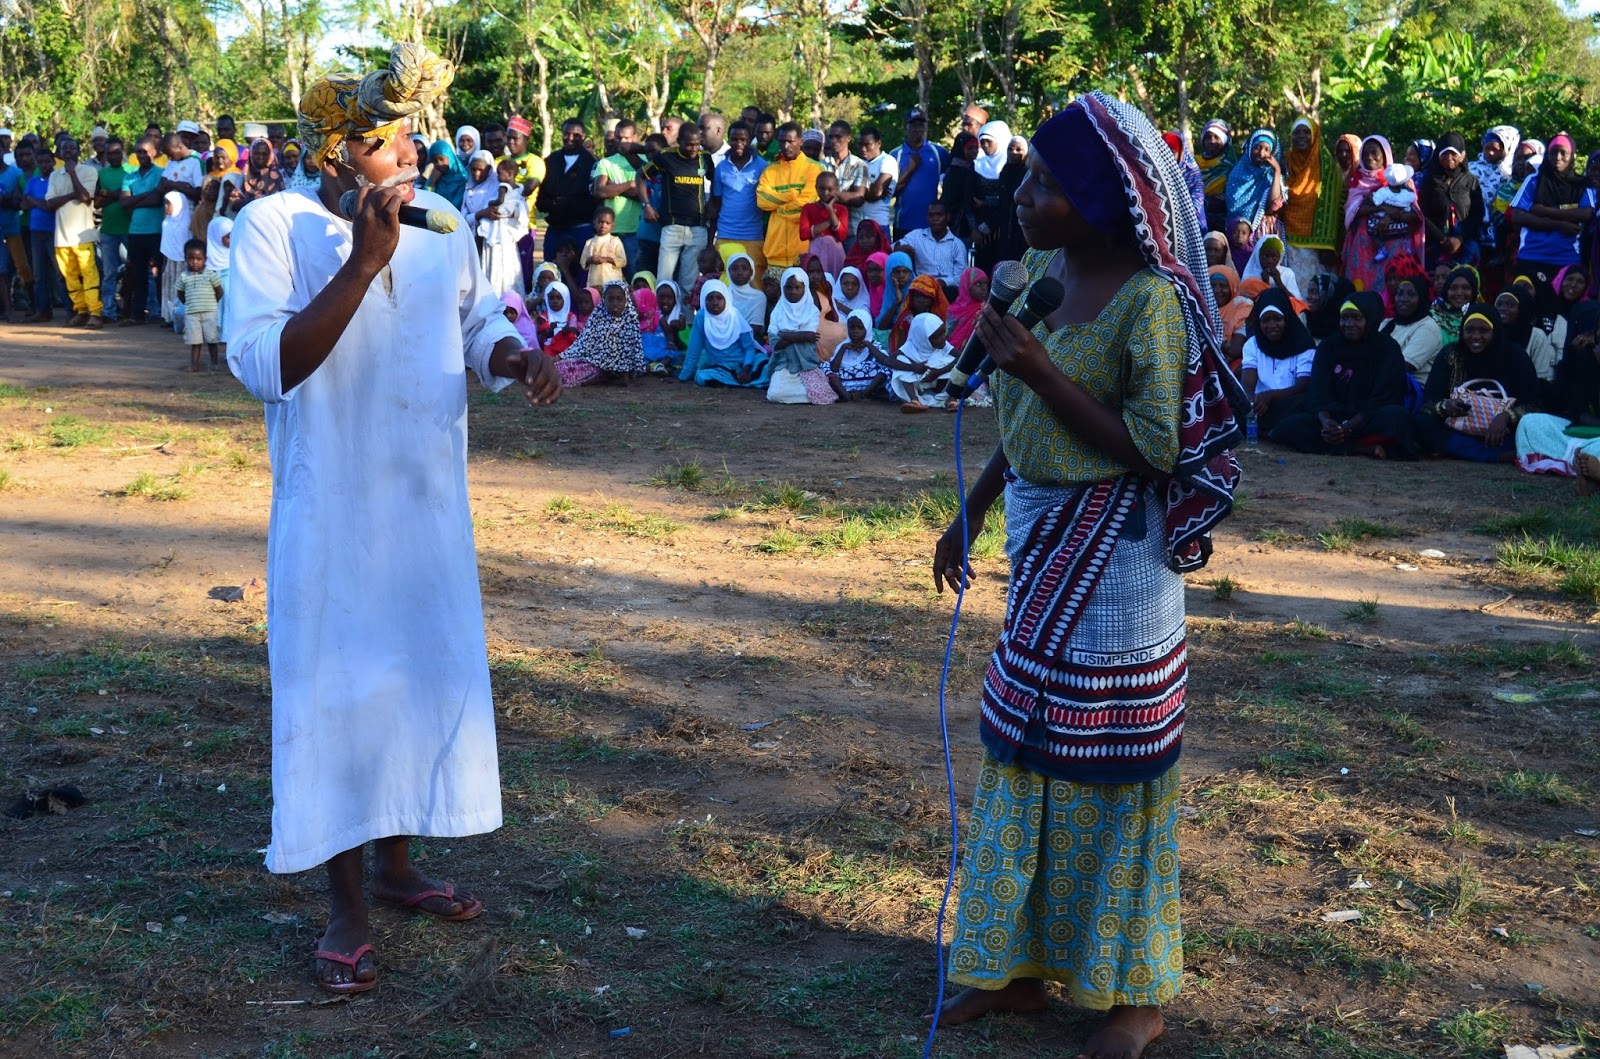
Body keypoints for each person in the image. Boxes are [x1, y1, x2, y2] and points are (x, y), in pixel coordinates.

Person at [227, 42, 560, 996]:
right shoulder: (272, 227)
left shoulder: (443, 226)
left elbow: (473, 320)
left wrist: (511, 358)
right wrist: (365, 263)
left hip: (423, 501)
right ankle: (346, 902)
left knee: (414, 668)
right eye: (387, 140)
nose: (412, 153)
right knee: (337, 686)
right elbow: (265, 365)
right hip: (332, 510)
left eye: (414, 134)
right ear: (336, 157)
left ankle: (399, 863)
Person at [928, 92, 1241, 1059]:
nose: (1024, 194)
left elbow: (1155, 451)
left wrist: (1042, 374)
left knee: (1113, 770)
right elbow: (1018, 427)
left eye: (1047, 183)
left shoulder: (1151, 302)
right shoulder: (1046, 279)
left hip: (1117, 564)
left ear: (1104, 201)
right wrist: (970, 510)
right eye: (1027, 176)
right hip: (1039, 539)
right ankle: (1017, 970)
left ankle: (1135, 995)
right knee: (1026, 753)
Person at [1271, 291, 1414, 458]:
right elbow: (1318, 392)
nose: (1349, 324)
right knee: (1289, 427)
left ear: (1370, 319)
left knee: (1397, 418)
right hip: (1334, 417)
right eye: (1344, 318)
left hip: (1368, 417)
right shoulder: (1328, 347)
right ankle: (1360, 449)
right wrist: (1326, 422)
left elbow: (1382, 398)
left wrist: (1349, 426)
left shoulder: (1388, 349)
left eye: (1357, 318)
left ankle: (1344, 445)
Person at [1413, 302, 1539, 461]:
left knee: (1532, 429)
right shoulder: (1451, 354)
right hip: (1457, 428)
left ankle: (1457, 451)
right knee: (1421, 423)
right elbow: (1429, 401)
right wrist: (1446, 406)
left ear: (1495, 331)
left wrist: (1507, 416)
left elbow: (1534, 405)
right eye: (1469, 330)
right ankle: (1493, 456)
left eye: (1484, 330)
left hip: (1502, 432)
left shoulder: (1515, 356)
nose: (1476, 337)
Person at [1507, 134, 1597, 288]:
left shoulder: (1581, 184)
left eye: (1564, 153)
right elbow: (1517, 215)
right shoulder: (1534, 180)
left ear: (1572, 156)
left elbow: (1586, 213)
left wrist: (1542, 210)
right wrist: (1560, 224)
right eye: (1553, 152)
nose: (1558, 157)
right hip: (1531, 255)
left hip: (1567, 258)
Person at [1343, 135, 1423, 299]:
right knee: (1362, 290)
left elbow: (1414, 212)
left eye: (1374, 153)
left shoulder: (1401, 180)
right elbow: (1353, 210)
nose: (1369, 157)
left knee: (1393, 287)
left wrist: (1391, 216)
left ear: (1385, 155)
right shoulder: (1357, 182)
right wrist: (1384, 207)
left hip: (1395, 244)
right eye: (1365, 153)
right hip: (1364, 246)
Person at [638, 122, 714, 291]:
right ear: (679, 141)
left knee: (689, 284)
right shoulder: (666, 156)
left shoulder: (705, 157)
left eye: (696, 144)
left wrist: (712, 203)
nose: (693, 148)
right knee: (664, 281)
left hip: (698, 228)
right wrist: (646, 206)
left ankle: (686, 318)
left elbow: (715, 179)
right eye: (688, 144)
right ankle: (661, 317)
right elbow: (640, 176)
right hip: (672, 226)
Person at [46, 138, 104, 328]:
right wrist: (71, 195)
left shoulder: (89, 171)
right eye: (65, 149)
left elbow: (85, 197)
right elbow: (50, 203)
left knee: (89, 274)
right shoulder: (54, 176)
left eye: (72, 148)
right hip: (61, 237)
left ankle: (95, 312)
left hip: (83, 236)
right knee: (69, 276)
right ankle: (81, 311)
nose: (69, 152)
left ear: (79, 151)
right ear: (59, 153)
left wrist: (72, 173)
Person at [1240, 287, 1315, 433]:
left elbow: (1302, 385)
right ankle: (1272, 430)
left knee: (1304, 406)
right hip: (1259, 404)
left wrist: (1270, 396)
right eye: (1265, 320)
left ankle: (1271, 429)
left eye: (1277, 319)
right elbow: (1248, 384)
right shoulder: (1253, 344)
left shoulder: (1304, 345)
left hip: (1289, 402)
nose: (1271, 325)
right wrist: (1251, 400)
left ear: (1287, 318)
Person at [756, 123, 822, 278]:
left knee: (801, 297)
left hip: (803, 251)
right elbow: (762, 200)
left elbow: (807, 204)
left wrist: (779, 209)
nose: (785, 146)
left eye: (790, 141)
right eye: (781, 141)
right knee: (775, 299)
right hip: (775, 251)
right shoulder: (770, 170)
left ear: (800, 141)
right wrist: (792, 194)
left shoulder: (814, 169)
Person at [765, 266, 837, 404]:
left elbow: (810, 337)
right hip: (784, 365)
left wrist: (784, 334)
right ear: (782, 288)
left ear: (805, 288)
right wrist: (799, 336)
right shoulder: (777, 312)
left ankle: (808, 395)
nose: (793, 291)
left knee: (823, 394)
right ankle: (807, 397)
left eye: (797, 287)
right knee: (775, 394)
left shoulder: (812, 312)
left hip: (806, 365)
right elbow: (776, 344)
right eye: (788, 287)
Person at [1281, 118, 1343, 277]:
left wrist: (1327, 244)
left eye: (1306, 132)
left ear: (1315, 135)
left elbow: (1333, 205)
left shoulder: (1326, 165)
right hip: (1286, 237)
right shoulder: (1284, 161)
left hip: (1317, 245)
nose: (1301, 136)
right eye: (1296, 132)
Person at [678, 278, 768, 387]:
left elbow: (749, 347)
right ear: (703, 300)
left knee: (766, 367)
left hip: (745, 363)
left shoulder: (734, 316)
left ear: (726, 299)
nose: (715, 303)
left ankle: (740, 379)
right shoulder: (702, 317)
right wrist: (683, 376)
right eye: (710, 298)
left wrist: (746, 368)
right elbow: (694, 350)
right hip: (721, 367)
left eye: (719, 298)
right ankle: (743, 380)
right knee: (702, 377)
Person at [555, 280, 646, 386]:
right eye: (610, 299)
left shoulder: (630, 319)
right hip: (592, 361)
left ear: (626, 300)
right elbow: (583, 343)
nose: (615, 303)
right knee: (560, 367)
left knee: (566, 374)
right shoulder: (598, 317)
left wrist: (627, 378)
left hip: (601, 369)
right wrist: (561, 356)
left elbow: (632, 350)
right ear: (604, 300)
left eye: (619, 299)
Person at [708, 122, 768, 275]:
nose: (738, 143)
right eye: (734, 139)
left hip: (753, 237)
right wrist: (710, 244)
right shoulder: (721, 167)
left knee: (753, 285)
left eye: (743, 139)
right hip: (725, 236)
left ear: (750, 139)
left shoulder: (763, 167)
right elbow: (716, 204)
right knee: (725, 285)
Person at [537, 119, 599, 265]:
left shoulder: (592, 162)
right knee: (551, 270)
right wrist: (552, 203)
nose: (570, 138)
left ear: (583, 136)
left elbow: (595, 197)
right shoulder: (551, 160)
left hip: (582, 228)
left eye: (575, 135)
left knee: (582, 274)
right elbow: (541, 194)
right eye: (566, 133)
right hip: (555, 228)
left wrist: (570, 202)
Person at [119, 136, 167, 325]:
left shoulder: (161, 173)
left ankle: (164, 314)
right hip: (136, 232)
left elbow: (158, 200)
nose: (142, 155)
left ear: (154, 152)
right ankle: (137, 315)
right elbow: (123, 203)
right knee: (137, 274)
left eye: (145, 151)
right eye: (138, 151)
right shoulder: (129, 176)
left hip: (156, 231)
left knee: (161, 275)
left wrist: (136, 199)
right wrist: (149, 195)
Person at [1418, 133, 1483, 269]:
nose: (1449, 158)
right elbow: (1422, 213)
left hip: (1465, 239)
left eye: (1453, 154)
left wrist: (1459, 239)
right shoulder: (1429, 181)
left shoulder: (1470, 180)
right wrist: (1442, 239)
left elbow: (1478, 213)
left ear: (1463, 155)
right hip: (1436, 240)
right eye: (1444, 154)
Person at [590, 118, 643, 276]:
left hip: (637, 232)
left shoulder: (645, 161)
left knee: (635, 279)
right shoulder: (606, 163)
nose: (622, 142)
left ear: (635, 138)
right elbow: (599, 191)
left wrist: (613, 187)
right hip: (610, 233)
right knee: (608, 281)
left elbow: (646, 194)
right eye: (618, 138)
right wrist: (630, 184)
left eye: (626, 138)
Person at [890, 109, 948, 239]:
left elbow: (950, 184)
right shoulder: (895, 155)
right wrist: (910, 169)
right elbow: (890, 192)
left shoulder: (939, 152)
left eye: (921, 125)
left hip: (931, 224)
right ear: (906, 127)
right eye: (913, 125)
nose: (917, 129)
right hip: (903, 223)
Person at [91, 138, 129, 323]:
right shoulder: (102, 174)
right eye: (110, 153)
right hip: (108, 229)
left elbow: (129, 199)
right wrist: (117, 196)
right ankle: (108, 310)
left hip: (130, 229)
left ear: (123, 152)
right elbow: (96, 201)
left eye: (117, 152)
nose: (113, 156)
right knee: (108, 274)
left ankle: (134, 308)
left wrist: (109, 194)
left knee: (135, 270)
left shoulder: (131, 172)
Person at [479, 158, 530, 297]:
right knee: (508, 258)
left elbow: (500, 201)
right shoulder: (519, 188)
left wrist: (491, 202)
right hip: (507, 227)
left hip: (499, 226)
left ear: (509, 173)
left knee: (497, 255)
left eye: (500, 173)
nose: (497, 176)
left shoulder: (503, 186)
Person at [885, 311, 955, 411]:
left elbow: (960, 357)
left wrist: (939, 372)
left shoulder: (944, 344)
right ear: (923, 338)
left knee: (954, 363)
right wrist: (914, 367)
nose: (943, 338)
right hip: (918, 379)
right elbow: (889, 360)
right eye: (937, 337)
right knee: (901, 360)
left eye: (943, 333)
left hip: (937, 379)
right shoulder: (910, 345)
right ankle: (915, 400)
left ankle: (951, 399)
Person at [1225, 129, 1284, 242]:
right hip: (1237, 234)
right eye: (1257, 147)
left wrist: (1277, 171)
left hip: (1262, 233)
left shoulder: (1271, 176)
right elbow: (1232, 203)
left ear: (1272, 153)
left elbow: (1273, 204)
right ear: (1250, 148)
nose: (1261, 153)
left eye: (1267, 149)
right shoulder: (1237, 173)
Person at [174, 237, 223, 372]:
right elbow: (180, 293)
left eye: (198, 259)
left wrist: (212, 303)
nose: (195, 262)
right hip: (191, 314)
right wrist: (189, 304)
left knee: (212, 339)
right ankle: (194, 365)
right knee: (194, 341)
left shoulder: (210, 275)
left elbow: (219, 291)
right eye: (191, 259)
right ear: (185, 259)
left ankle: (214, 364)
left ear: (205, 259)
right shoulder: (183, 276)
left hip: (209, 312)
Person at [1383, 274, 1443, 380]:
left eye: (1411, 294)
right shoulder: (1387, 323)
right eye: (1399, 293)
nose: (1403, 299)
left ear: (1421, 298)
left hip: (1411, 391)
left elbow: (1401, 367)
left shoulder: (1427, 327)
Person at [897, 201, 967, 293]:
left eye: (939, 215)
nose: (935, 219)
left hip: (947, 288)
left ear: (948, 217)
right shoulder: (916, 236)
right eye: (931, 215)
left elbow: (961, 275)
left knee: (950, 292)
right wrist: (899, 249)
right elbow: (895, 246)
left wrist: (944, 282)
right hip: (922, 286)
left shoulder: (957, 244)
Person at [824, 308, 891, 400]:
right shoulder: (843, 346)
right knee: (825, 366)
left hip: (869, 381)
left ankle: (865, 394)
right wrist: (843, 349)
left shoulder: (874, 344)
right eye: (852, 327)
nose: (855, 331)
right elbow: (834, 369)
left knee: (888, 367)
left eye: (860, 327)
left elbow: (885, 361)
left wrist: (868, 345)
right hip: (846, 382)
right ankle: (846, 396)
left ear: (867, 328)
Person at [798, 171, 847, 279]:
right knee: (817, 279)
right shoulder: (808, 208)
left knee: (835, 278)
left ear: (837, 189)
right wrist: (829, 222)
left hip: (835, 251)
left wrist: (830, 210)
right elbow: (803, 234)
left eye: (830, 189)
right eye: (822, 188)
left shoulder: (841, 209)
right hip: (816, 249)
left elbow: (842, 236)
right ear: (816, 188)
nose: (825, 193)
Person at [823, 121, 868, 236]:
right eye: (831, 137)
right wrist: (847, 196)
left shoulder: (859, 165)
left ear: (848, 138)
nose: (834, 140)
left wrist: (829, 195)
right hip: (825, 229)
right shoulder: (821, 164)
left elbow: (859, 198)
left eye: (838, 137)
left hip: (851, 230)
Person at [1196, 119, 1235, 234]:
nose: (1211, 141)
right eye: (1208, 137)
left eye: (1216, 137)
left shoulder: (1230, 166)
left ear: (1224, 140)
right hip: (1194, 219)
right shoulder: (1193, 163)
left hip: (1221, 223)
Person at [724, 251, 768, 340]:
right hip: (724, 340)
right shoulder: (723, 295)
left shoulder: (759, 297)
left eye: (744, 269)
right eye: (735, 269)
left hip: (749, 341)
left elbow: (755, 328)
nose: (740, 272)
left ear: (751, 272)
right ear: (728, 271)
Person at [537, 281, 580, 357]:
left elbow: (574, 332)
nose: (555, 301)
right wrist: (551, 329)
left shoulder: (571, 316)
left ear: (565, 298)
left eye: (559, 298)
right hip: (549, 351)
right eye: (551, 298)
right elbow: (545, 335)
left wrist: (568, 329)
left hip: (569, 350)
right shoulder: (544, 317)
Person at [239, 138, 286, 205]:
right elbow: (234, 203)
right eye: (256, 153)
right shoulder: (244, 175)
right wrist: (253, 200)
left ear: (270, 155)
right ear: (251, 154)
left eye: (264, 154)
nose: (260, 157)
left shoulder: (277, 177)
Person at [426, 139, 468, 210]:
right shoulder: (434, 178)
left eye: (441, 159)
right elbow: (426, 201)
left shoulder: (462, 177)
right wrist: (432, 183)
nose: (439, 163)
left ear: (450, 157)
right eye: (435, 161)